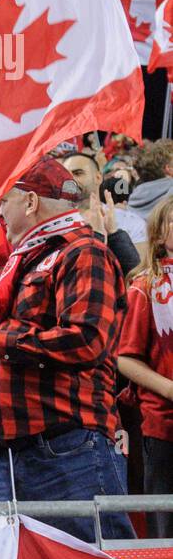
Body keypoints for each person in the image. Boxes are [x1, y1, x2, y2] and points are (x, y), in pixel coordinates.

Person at [0, 157, 133, 541]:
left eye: (4, 202)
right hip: (20, 452)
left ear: (31, 203)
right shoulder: (35, 258)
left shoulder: (84, 252)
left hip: (68, 451)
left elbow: (87, 340)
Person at [117, 194, 173, 538]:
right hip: (164, 422)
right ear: (159, 233)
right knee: (165, 527)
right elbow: (124, 359)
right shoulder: (145, 287)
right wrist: (168, 387)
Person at [63, 151, 143, 272]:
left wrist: (114, 235)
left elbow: (139, 277)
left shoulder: (130, 222)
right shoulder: (52, 224)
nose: (70, 179)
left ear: (98, 177)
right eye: (65, 175)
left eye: (78, 173)